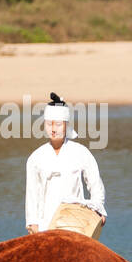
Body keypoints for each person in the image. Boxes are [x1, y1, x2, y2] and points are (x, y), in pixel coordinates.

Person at [24, 92, 105, 235]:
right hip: (45, 225)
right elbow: (32, 194)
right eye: (49, 124)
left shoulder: (81, 152)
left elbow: (95, 184)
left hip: (76, 223)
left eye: (58, 124)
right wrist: (32, 223)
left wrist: (98, 209)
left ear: (66, 125)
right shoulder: (35, 158)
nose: (53, 129)